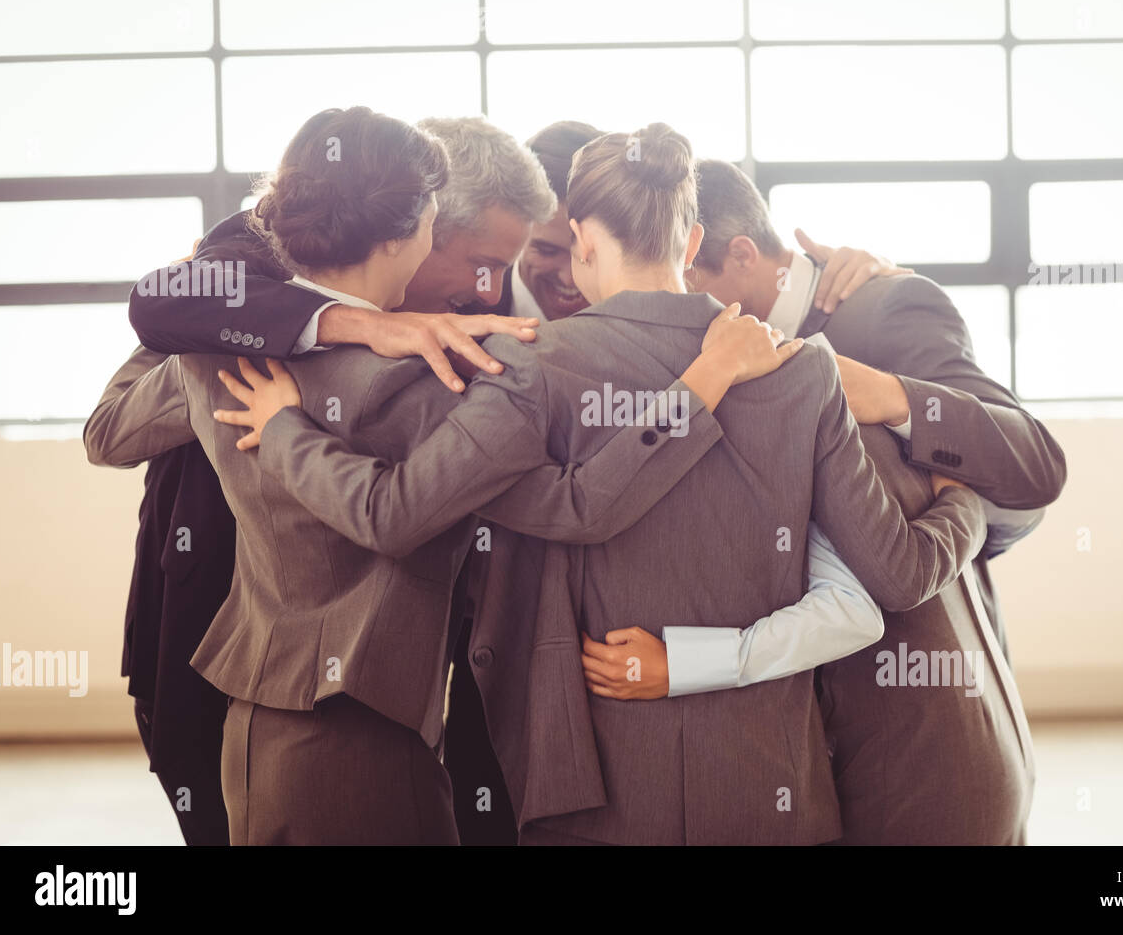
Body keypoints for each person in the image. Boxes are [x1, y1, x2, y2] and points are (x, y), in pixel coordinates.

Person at [212, 123, 989, 845]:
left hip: (596, 790)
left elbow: (422, 509)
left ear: (580, 241)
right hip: (771, 790)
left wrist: (284, 427)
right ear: (690, 240)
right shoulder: (802, 369)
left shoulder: (529, 363)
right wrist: (970, 510)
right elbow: (894, 576)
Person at [86, 107, 774, 844]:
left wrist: (229, 290)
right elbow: (575, 506)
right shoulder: (429, 384)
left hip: (253, 722)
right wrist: (702, 384)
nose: (493, 288)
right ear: (416, 231)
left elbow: (121, 406)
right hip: (360, 736)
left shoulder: (219, 353)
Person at [642, 159, 1066, 842]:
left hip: (925, 750)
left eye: (688, 278)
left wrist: (886, 395)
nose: (674, 306)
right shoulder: (712, 354)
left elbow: (1032, 473)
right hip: (800, 760)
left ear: (741, 254)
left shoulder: (886, 307)